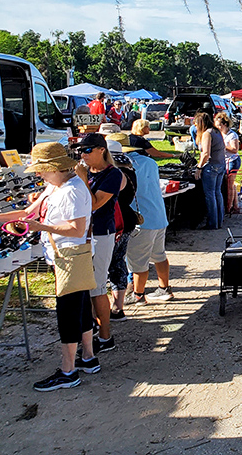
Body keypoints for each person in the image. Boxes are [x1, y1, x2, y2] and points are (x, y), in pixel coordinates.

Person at [0, 143, 98, 391]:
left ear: (54, 167)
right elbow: (28, 212)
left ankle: (68, 370)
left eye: (41, 170)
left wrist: (42, 228)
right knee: (81, 305)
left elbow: (76, 229)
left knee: (68, 311)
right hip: (67, 255)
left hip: (70, 255)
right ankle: (88, 357)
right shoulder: (55, 186)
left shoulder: (72, 190)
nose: (37, 174)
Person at [72, 133, 123, 354]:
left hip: (102, 233)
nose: (83, 155)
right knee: (86, 285)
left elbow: (94, 205)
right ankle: (92, 328)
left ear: (101, 150)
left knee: (98, 286)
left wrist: (82, 178)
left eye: (87, 150)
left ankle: (105, 336)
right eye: (80, 151)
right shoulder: (86, 171)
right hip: (83, 234)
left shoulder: (112, 175)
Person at [122, 138, 174, 304]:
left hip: (141, 218)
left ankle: (137, 295)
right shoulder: (150, 163)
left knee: (138, 262)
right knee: (159, 255)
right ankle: (164, 288)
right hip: (158, 215)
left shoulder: (126, 165)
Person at [104, 135, 138, 321]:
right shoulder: (129, 169)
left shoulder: (115, 174)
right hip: (126, 220)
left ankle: (109, 308)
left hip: (115, 223)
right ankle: (118, 307)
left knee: (109, 265)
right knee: (118, 263)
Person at [193, 112, 226, 229]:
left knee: (210, 195)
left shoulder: (207, 133)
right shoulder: (217, 131)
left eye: (196, 124)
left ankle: (212, 223)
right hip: (221, 165)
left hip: (211, 166)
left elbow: (206, 153)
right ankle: (219, 221)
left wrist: (199, 167)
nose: (195, 127)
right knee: (217, 193)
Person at [215, 112, 241, 215]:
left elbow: (234, 149)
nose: (217, 127)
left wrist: (222, 146)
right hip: (224, 160)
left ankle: (228, 208)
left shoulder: (232, 135)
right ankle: (235, 205)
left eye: (219, 125)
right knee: (230, 184)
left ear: (225, 124)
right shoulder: (219, 134)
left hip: (232, 161)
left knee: (229, 185)